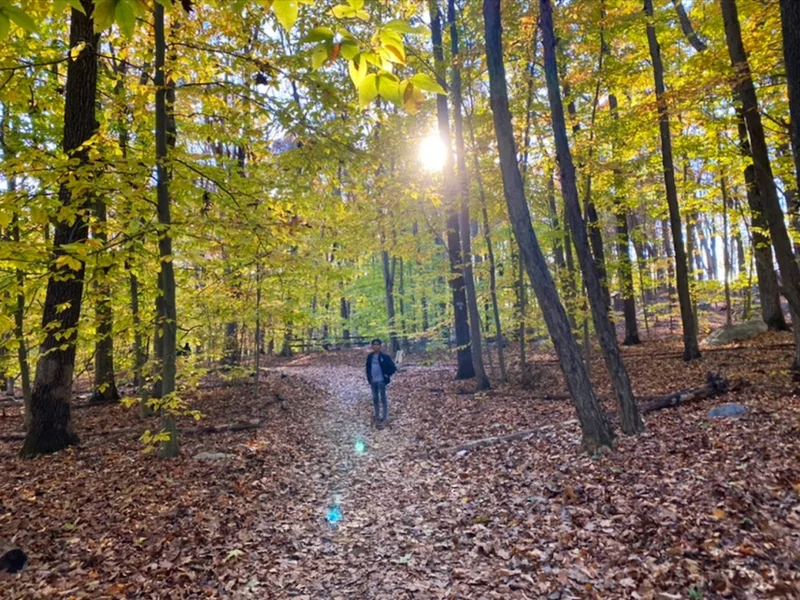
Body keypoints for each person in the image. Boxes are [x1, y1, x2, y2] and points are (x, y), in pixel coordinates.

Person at [365, 338, 397, 429]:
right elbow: (367, 368)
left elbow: (393, 367)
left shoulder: (385, 357)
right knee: (375, 398)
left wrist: (387, 375)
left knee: (383, 398)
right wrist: (369, 378)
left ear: (380, 346)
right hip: (373, 381)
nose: (375, 346)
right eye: (374, 344)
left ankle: (385, 416)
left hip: (381, 381)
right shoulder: (370, 357)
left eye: (377, 344)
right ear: (372, 346)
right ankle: (377, 416)